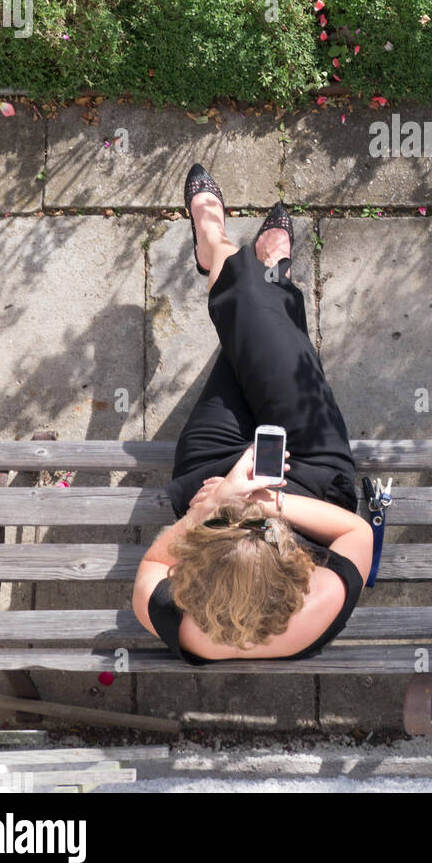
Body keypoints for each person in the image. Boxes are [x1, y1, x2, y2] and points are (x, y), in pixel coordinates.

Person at [131, 164, 373, 662]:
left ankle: (237, 256)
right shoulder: (321, 601)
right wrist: (263, 505)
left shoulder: (172, 616)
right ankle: (242, 260)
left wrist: (215, 499)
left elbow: (155, 560)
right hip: (311, 477)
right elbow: (356, 532)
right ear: (296, 573)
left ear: (192, 580)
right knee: (256, 323)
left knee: (255, 335)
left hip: (211, 469)